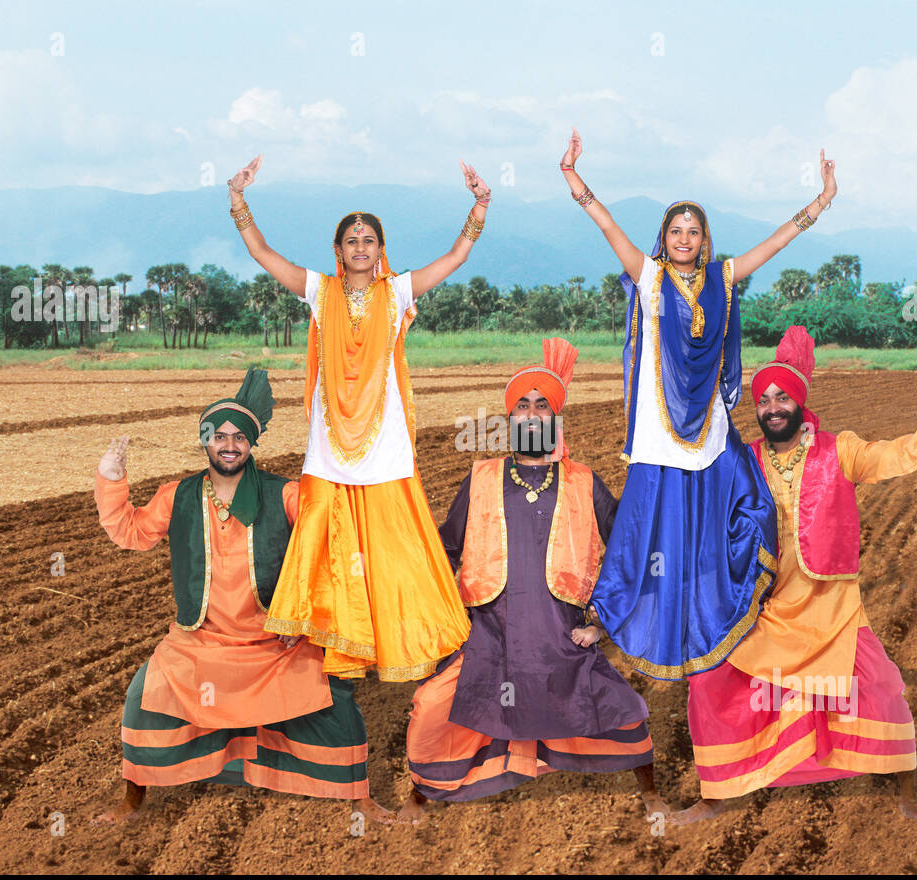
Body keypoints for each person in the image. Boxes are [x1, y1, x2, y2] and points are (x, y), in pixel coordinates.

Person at [559, 128, 838, 680]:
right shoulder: (649, 277)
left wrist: (822, 201)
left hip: (708, 430)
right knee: (643, 534)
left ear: (704, 239)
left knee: (735, 511)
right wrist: (574, 178)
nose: (684, 237)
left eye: (693, 230)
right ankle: (612, 619)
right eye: (675, 229)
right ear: (663, 237)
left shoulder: (723, 278)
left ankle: (721, 613)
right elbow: (609, 226)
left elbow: (777, 242)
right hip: (659, 432)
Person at [673, 327, 917, 828]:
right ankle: (716, 793)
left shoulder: (839, 450)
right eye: (764, 400)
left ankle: (908, 795)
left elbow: (895, 456)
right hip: (764, 609)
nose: (773, 407)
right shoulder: (745, 462)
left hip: (834, 609)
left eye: (782, 397)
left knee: (883, 688)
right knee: (711, 682)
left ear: (799, 402)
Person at [92, 367, 391, 825]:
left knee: (334, 695)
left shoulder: (286, 493)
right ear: (205, 442)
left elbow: (331, 547)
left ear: (251, 444)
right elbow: (131, 531)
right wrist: (111, 480)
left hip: (275, 642)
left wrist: (306, 619)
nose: (229, 445)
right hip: (200, 642)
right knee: (143, 694)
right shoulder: (179, 496)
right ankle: (133, 798)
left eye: (240, 437)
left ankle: (359, 797)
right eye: (219, 436)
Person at [226, 154, 485, 682]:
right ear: (338, 251)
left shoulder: (398, 292)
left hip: (383, 443)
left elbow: (456, 257)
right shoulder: (320, 291)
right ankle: (328, 639)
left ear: (380, 250)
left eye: (369, 241)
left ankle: (402, 638)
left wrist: (479, 206)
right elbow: (262, 253)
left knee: (394, 550)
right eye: (351, 241)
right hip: (329, 446)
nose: (361, 248)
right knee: (324, 539)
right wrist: (238, 201)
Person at [400, 339, 668, 823]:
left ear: (554, 420)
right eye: (521, 405)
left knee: (622, 709)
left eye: (541, 405)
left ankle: (650, 791)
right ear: (509, 420)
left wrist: (601, 622)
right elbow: (447, 547)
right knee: (432, 706)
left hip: (558, 636)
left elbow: (630, 549)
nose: (530, 413)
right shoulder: (481, 476)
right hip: (489, 635)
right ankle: (423, 792)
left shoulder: (583, 481)